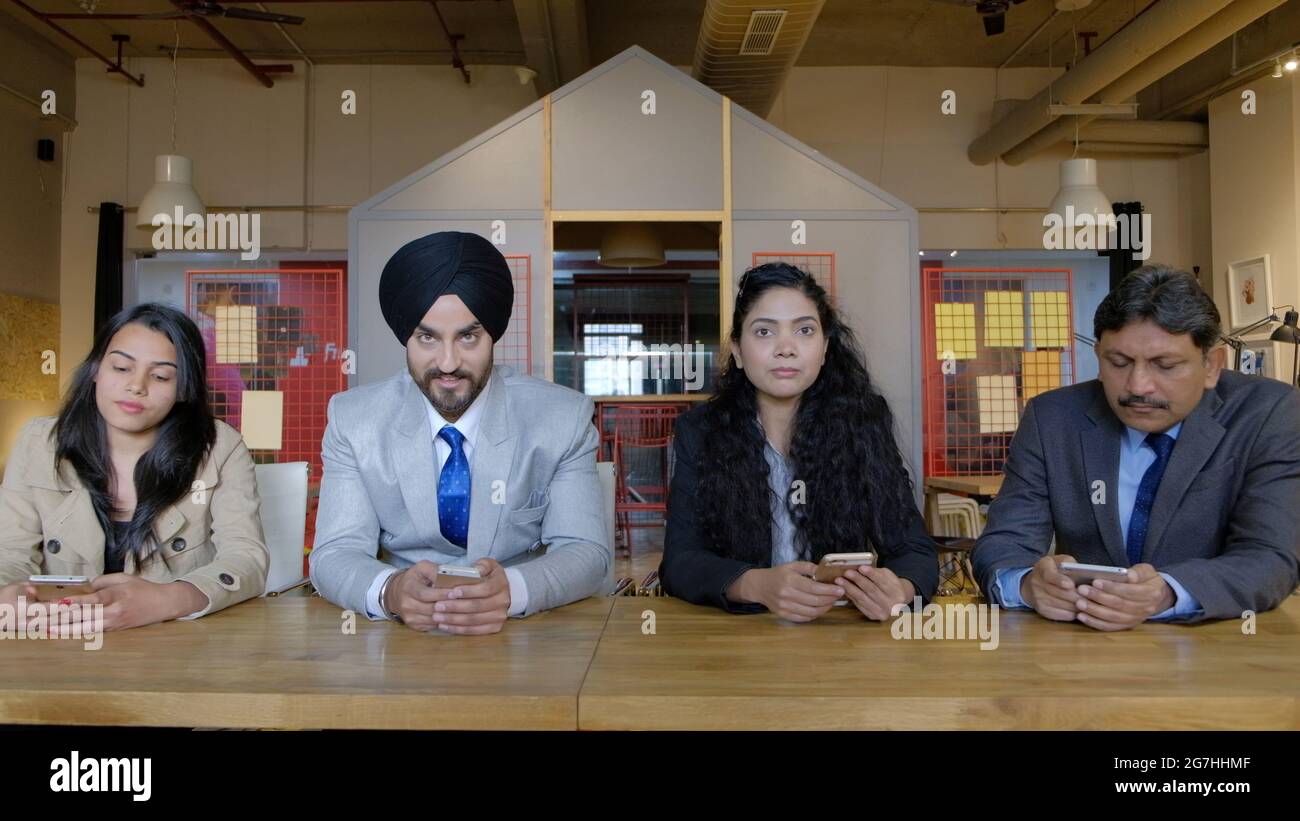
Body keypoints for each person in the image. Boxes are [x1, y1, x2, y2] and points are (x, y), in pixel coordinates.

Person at [309, 230, 610, 634]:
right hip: (400, 639)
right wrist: (390, 591)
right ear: (406, 337)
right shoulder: (354, 419)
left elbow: (585, 550)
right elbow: (335, 553)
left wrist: (513, 591)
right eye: (427, 337)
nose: (448, 363)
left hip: (526, 635)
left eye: (468, 336)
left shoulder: (562, 417)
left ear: (493, 336)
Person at [972, 264, 1300, 629]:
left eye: (1165, 365)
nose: (1138, 385)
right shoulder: (1052, 418)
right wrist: (1028, 585)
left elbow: (1270, 557)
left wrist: (1168, 593)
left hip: (1220, 651)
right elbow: (1003, 544)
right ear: (1098, 356)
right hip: (1077, 651)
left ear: (1211, 365)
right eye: (1119, 362)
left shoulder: (1270, 413)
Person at [659, 263, 938, 621]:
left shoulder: (861, 423)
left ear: (824, 349)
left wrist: (901, 590)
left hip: (837, 640)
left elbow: (914, 550)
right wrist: (754, 584)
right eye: (764, 332)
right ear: (739, 351)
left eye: (805, 330)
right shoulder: (701, 430)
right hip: (735, 643)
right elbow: (680, 562)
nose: (786, 348)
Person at [0, 303, 269, 630]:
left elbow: (246, 559)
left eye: (160, 376)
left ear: (183, 388)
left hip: (178, 648)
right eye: (121, 368)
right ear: (96, 369)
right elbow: (9, 554)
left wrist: (168, 599)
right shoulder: (38, 442)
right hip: (60, 639)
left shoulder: (220, 447)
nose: (137, 386)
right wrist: (8, 594)